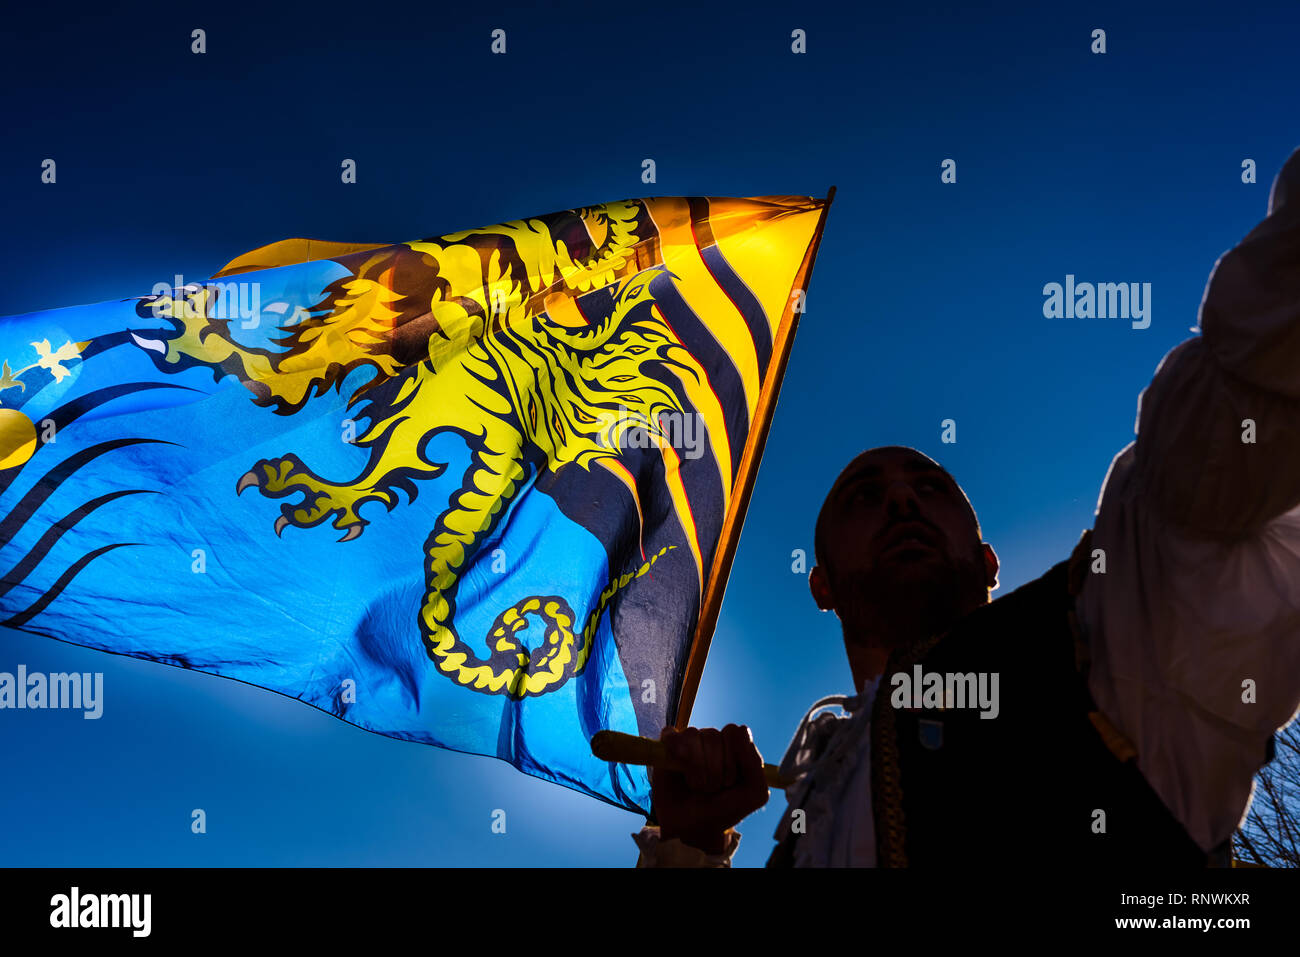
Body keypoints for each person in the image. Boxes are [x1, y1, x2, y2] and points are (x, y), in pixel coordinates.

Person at [632, 145, 1300, 867]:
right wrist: (691, 841)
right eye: (864, 497)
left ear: (988, 558)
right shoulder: (801, 831)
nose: (899, 501)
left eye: (931, 489)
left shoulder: (1120, 638)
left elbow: (1229, 419)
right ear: (820, 583)